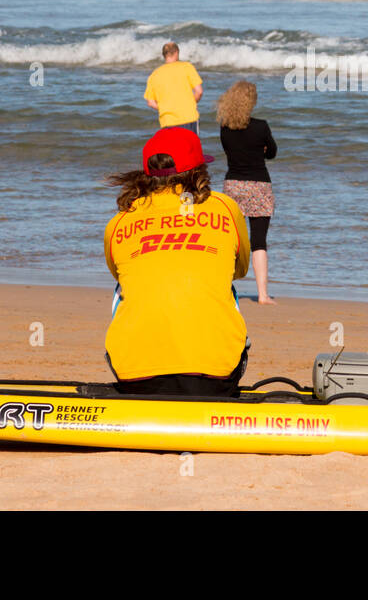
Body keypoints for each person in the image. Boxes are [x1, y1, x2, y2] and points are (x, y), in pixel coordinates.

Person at [102, 126, 251, 395]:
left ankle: (144, 361)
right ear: (198, 171)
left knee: (127, 284)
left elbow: (120, 274)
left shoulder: (119, 222)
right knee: (225, 283)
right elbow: (240, 269)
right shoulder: (225, 207)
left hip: (134, 376)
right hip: (213, 376)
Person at [217, 80, 278, 304]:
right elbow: (272, 152)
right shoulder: (261, 126)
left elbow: (229, 151)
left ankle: (223, 289)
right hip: (259, 185)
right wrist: (260, 149)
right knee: (259, 240)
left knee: (229, 241)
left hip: (232, 185)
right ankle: (262, 294)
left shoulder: (224, 128)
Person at [144, 42, 203, 132]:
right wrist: (190, 103)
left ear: (164, 55)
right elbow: (199, 92)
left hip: (167, 121)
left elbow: (150, 102)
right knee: (190, 146)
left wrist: (166, 108)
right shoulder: (187, 67)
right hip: (189, 118)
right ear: (176, 52)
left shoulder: (154, 75)